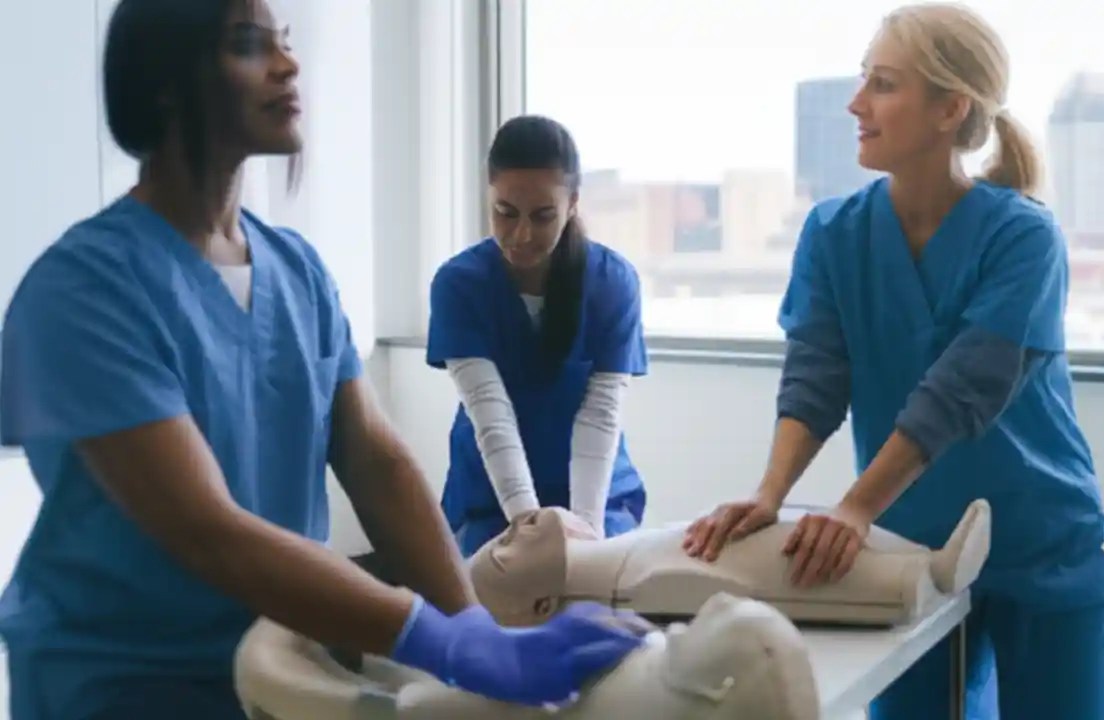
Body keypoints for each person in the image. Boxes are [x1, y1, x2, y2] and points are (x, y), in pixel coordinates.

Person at [0, 1, 644, 717]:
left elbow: (379, 465)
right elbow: (208, 533)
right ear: (164, 83)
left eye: (286, 41)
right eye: (250, 44)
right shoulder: (85, 290)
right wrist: (443, 642)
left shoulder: (296, 272)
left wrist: (475, 631)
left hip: (276, 670)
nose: (289, 63)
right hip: (122, 688)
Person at [682, 3, 1104, 719]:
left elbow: (961, 390)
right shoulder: (834, 233)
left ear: (948, 109)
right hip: (914, 550)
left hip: (1044, 542)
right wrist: (771, 493)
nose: (856, 103)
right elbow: (816, 378)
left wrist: (854, 507)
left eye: (883, 84)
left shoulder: (1024, 238)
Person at [427, 114, 649, 557]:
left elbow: (600, 416)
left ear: (572, 204)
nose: (521, 235)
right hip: (491, 497)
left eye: (543, 216)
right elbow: (490, 415)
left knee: (602, 597)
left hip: (596, 495)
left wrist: (585, 536)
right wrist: (529, 525)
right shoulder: (459, 283)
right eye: (504, 213)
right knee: (499, 604)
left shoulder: (613, 282)